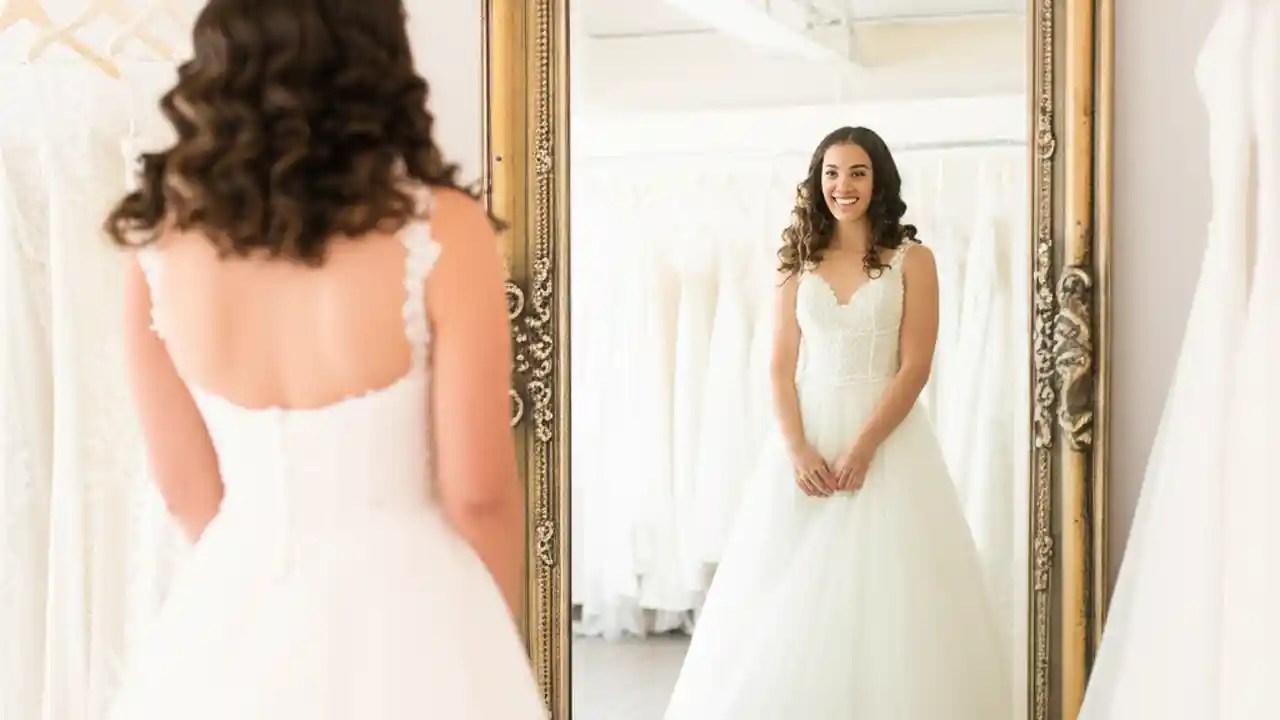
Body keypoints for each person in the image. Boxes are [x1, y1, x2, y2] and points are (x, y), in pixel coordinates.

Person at [101, 1, 544, 717]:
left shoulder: (155, 243)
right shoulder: (440, 230)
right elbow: (479, 493)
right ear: (376, 57)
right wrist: (490, 653)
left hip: (231, 614)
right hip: (413, 609)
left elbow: (188, 491)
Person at [663, 126, 1009, 719]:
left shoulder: (912, 260)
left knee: (890, 596)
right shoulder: (797, 262)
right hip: (809, 436)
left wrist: (866, 446)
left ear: (879, 181)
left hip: (888, 440)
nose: (841, 186)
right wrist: (796, 448)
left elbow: (916, 366)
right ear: (816, 181)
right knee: (784, 595)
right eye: (830, 173)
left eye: (856, 173)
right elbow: (778, 365)